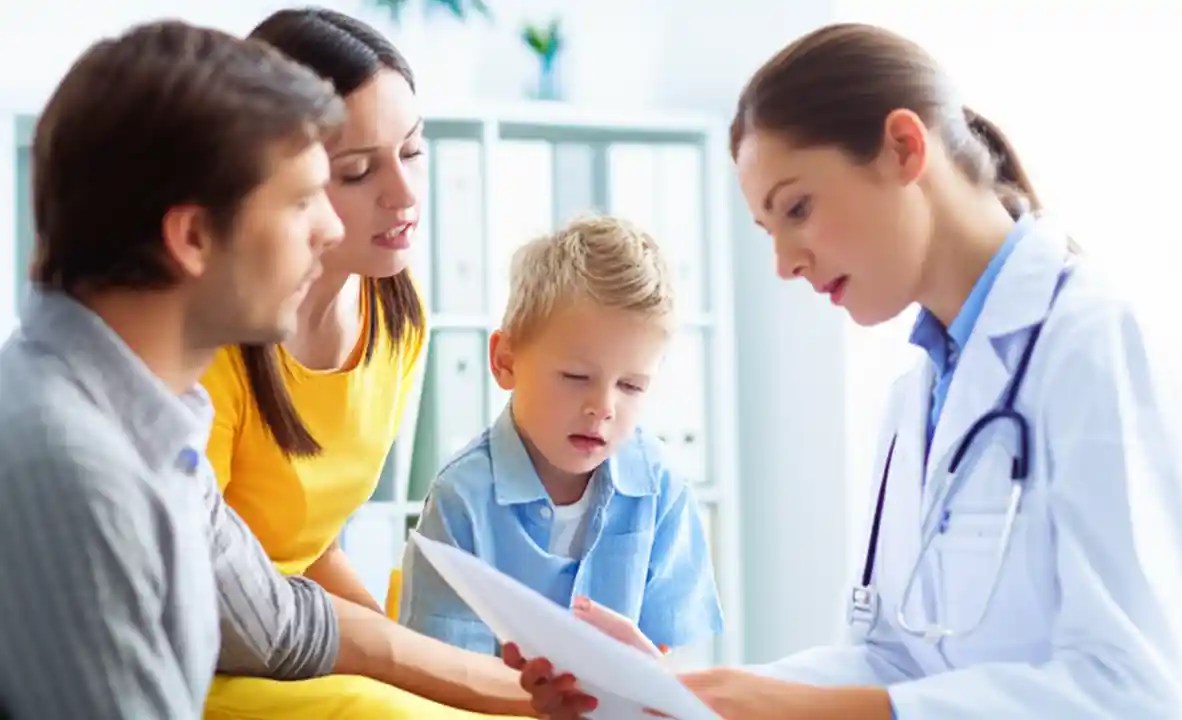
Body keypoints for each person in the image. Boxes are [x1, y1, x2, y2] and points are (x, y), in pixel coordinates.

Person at [503, 22, 1182, 719]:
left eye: (797, 208)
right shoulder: (920, 393)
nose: (784, 263)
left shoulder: (1104, 347)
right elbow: (898, 661)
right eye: (768, 228)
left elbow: (1136, 694)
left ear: (906, 148)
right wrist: (691, 696)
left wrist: (805, 709)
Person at [0, 20, 533, 720]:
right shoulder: (81, 470)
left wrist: (511, 691)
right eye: (303, 200)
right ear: (192, 236)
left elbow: (277, 618)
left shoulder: (147, 426)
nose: (330, 231)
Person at [198, 8, 532, 720]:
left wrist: (428, 661)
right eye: (356, 171)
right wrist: (421, 669)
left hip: (301, 639)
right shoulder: (211, 345)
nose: (404, 195)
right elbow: (210, 592)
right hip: (208, 651)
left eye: (412, 151)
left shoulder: (397, 313)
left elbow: (307, 549)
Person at [399, 215, 723, 656]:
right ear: (505, 360)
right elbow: (443, 676)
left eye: (631, 386)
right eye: (575, 376)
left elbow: (672, 659)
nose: (603, 407)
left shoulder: (659, 486)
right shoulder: (463, 499)